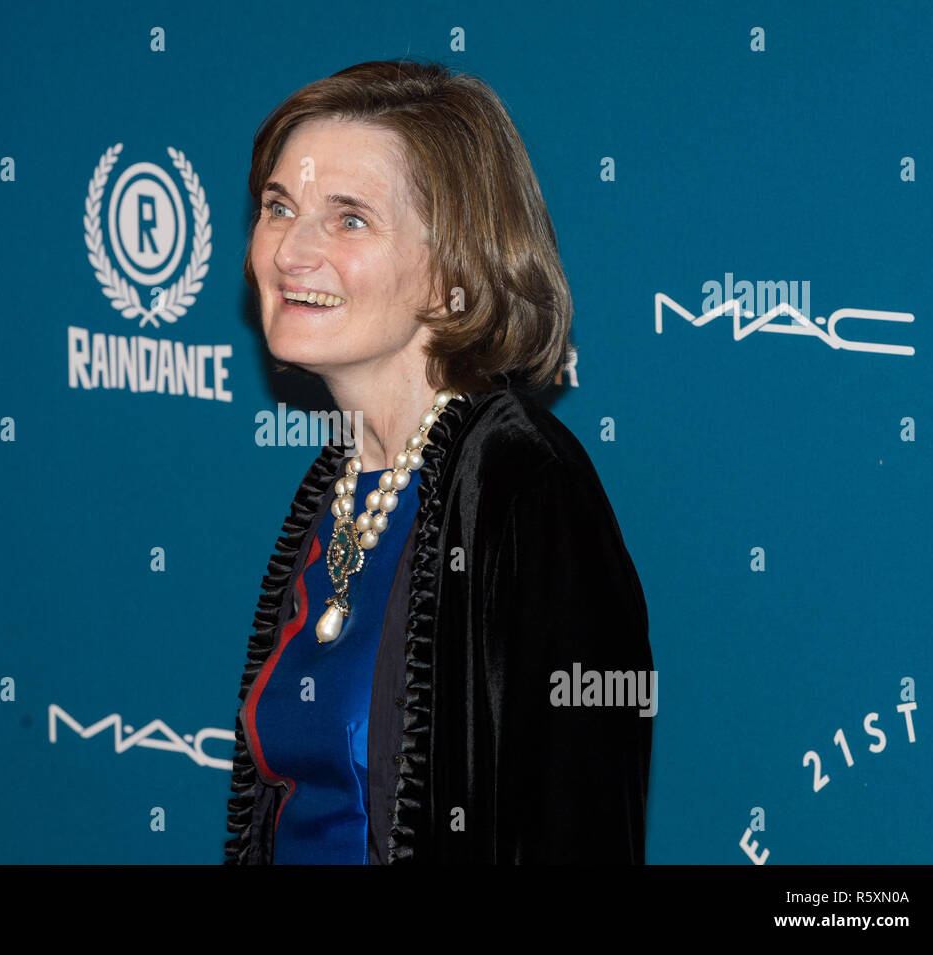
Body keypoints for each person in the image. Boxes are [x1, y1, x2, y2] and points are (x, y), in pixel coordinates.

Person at [225, 59, 653, 864]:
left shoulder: (525, 487)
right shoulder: (338, 487)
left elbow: (579, 824)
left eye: (349, 219)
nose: (291, 252)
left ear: (454, 269)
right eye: (279, 208)